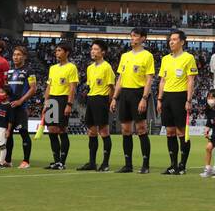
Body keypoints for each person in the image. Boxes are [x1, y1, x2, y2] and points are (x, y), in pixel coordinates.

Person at [114, 28, 156, 173]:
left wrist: (144, 98)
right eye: (131, 36)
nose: (132, 38)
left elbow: (149, 79)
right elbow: (120, 78)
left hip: (138, 93)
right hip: (125, 93)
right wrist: (114, 97)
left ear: (143, 38)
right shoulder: (124, 56)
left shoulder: (147, 56)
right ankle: (128, 164)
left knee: (141, 128)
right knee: (125, 129)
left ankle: (145, 165)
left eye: (135, 36)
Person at [156, 29, 197, 174]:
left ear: (182, 42)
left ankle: (182, 165)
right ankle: (173, 165)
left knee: (181, 133)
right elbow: (162, 81)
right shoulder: (165, 59)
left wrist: (188, 100)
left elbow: (190, 80)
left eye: (174, 39)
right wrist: (159, 99)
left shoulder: (188, 58)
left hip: (180, 97)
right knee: (169, 132)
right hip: (167, 97)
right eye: (170, 40)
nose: (171, 42)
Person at [79, 42, 115, 172]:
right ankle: (92, 162)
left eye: (96, 49)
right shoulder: (90, 68)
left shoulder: (107, 67)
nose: (92, 51)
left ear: (103, 52)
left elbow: (112, 87)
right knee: (91, 132)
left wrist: (110, 102)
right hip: (92, 99)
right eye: (92, 49)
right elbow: (90, 85)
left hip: (102, 100)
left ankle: (105, 163)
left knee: (104, 131)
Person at [45, 42, 79, 171]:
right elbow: (49, 86)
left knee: (61, 130)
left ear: (66, 53)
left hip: (63, 100)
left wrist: (69, 104)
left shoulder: (71, 67)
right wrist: (45, 103)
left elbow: (72, 88)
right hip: (52, 99)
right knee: (51, 130)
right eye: (56, 51)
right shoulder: (52, 68)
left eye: (59, 50)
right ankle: (56, 161)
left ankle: (62, 162)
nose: (57, 53)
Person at [4, 46, 36, 169]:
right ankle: (8, 160)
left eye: (18, 54)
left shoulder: (29, 71)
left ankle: (26, 161)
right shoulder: (10, 72)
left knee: (23, 133)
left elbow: (33, 89)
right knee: (8, 134)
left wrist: (20, 101)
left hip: (21, 108)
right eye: (14, 54)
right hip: (10, 107)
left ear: (24, 57)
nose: (15, 57)